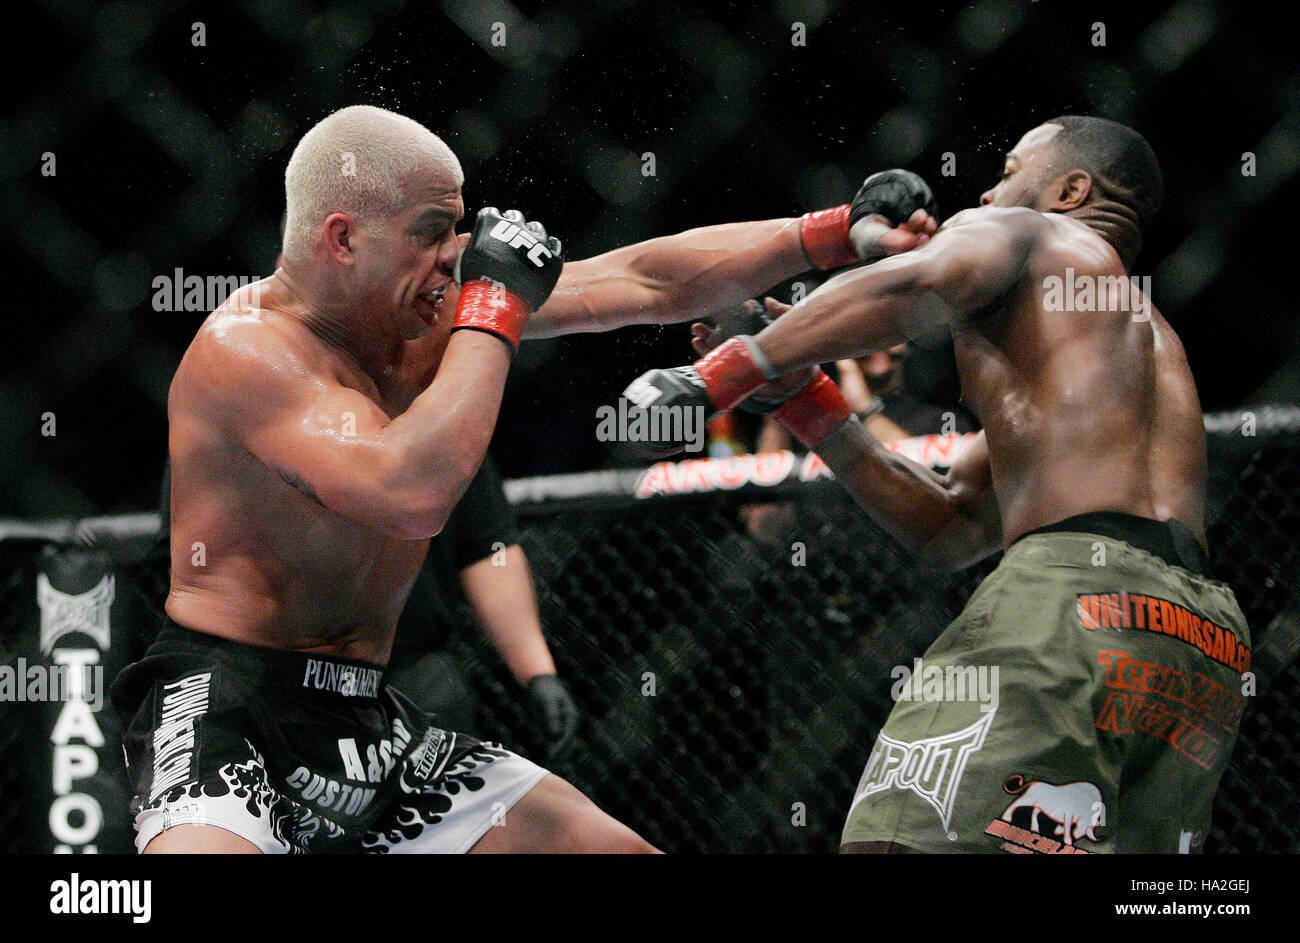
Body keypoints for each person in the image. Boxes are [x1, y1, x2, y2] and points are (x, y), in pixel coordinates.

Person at [111, 104, 934, 854]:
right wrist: (495, 308)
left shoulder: (429, 312)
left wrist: (829, 234)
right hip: (227, 703)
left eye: (459, 231)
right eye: (431, 232)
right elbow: (409, 493)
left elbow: (643, 279)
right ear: (343, 238)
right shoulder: (250, 349)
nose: (453, 258)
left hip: (371, 717)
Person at [626, 115, 1250, 854]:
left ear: (1070, 189)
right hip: (1199, 642)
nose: (989, 189)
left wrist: (721, 374)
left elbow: (916, 282)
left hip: (1069, 599)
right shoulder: (1128, 355)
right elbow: (948, 529)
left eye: (1012, 166)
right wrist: (806, 397)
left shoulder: (1029, 232)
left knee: (901, 842)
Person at [388, 453, 579, 754]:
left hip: (416, 670)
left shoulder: (449, 433)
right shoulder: (301, 429)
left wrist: (537, 671)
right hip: (304, 670)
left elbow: (487, 550)